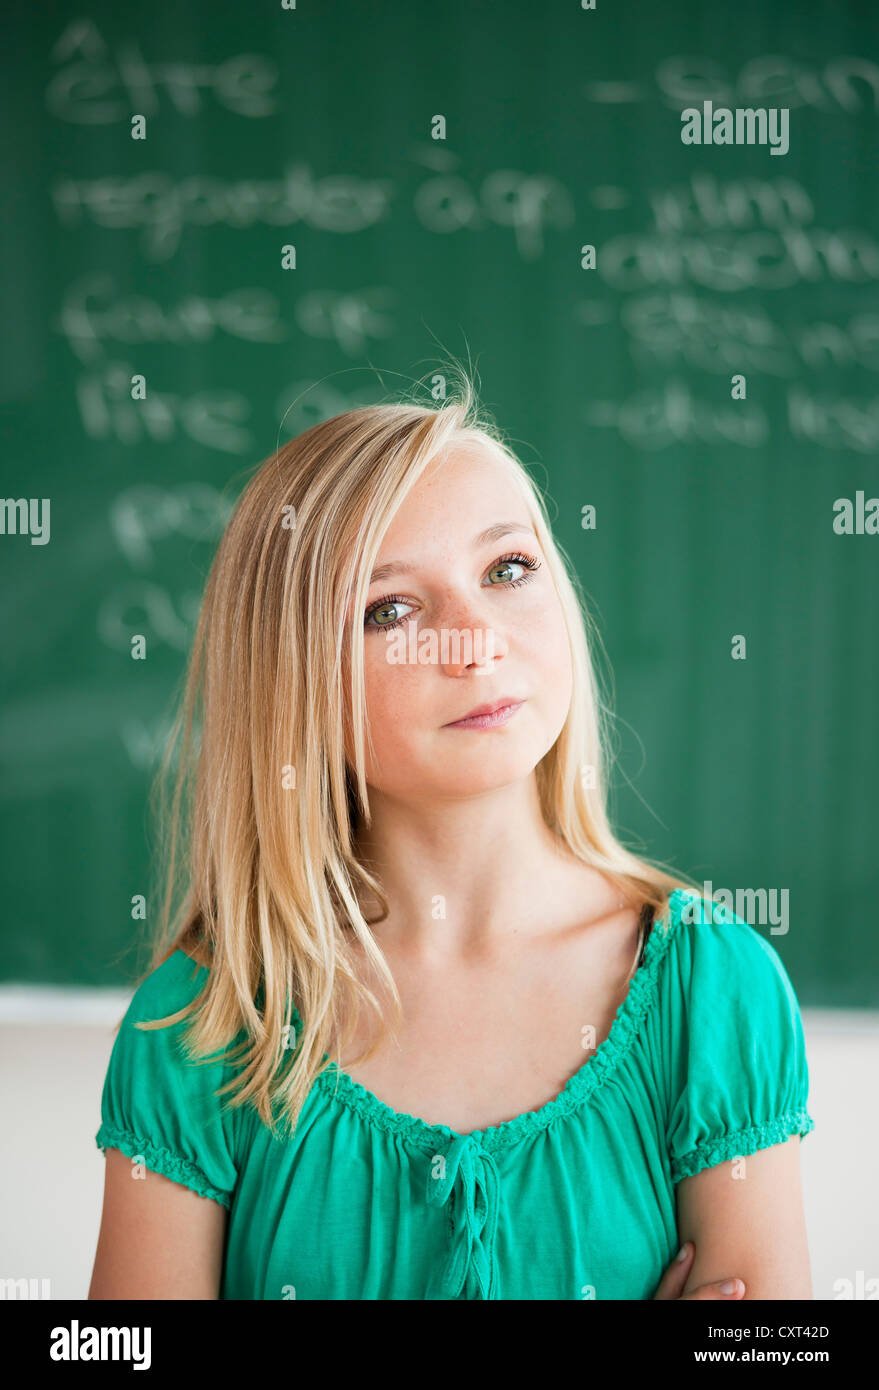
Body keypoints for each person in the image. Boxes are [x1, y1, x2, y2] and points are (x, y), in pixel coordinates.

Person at [89, 377, 814, 1300]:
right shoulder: (204, 1021)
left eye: (507, 570)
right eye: (389, 610)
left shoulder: (710, 982)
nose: (474, 641)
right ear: (292, 682)